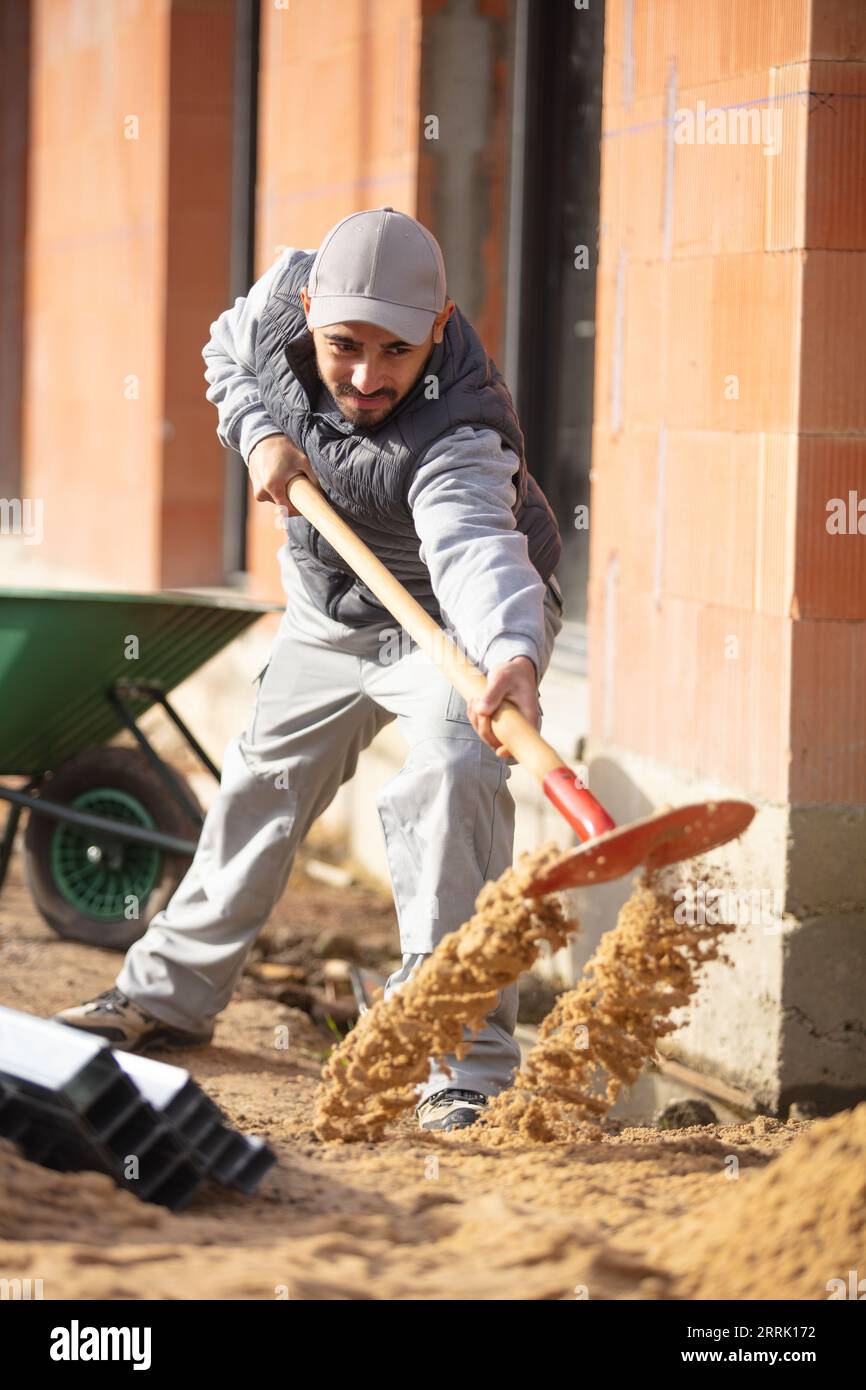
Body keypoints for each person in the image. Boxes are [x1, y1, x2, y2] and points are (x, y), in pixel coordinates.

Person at [55, 207, 564, 1132]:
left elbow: (476, 547)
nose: (367, 377)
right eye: (344, 347)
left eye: (396, 352)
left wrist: (511, 655)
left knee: (455, 780)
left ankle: (462, 1066)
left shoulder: (462, 431)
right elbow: (224, 356)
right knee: (259, 784)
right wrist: (258, 434)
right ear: (306, 309)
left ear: (439, 329)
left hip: (451, 627)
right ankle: (167, 995)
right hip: (330, 610)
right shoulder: (272, 314)